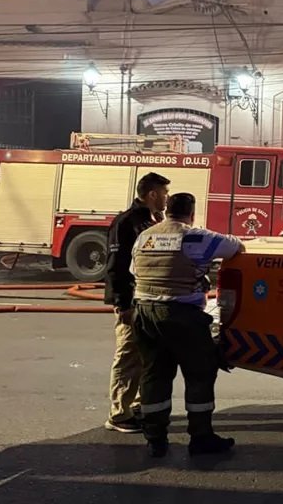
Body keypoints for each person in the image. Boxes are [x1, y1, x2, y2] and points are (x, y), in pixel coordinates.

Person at [130, 192, 245, 458]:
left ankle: (155, 439)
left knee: (154, 374)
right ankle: (201, 437)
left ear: (167, 211)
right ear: (191, 213)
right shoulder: (194, 236)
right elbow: (236, 246)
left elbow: (133, 271)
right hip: (180, 314)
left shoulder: (145, 236)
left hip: (143, 313)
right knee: (200, 373)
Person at [103, 172, 170, 433]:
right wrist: (122, 303)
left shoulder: (151, 221)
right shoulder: (126, 222)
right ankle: (119, 414)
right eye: (163, 193)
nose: (166, 198)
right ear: (152, 194)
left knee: (145, 356)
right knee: (128, 356)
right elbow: (116, 267)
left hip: (148, 300)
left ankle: (138, 406)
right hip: (131, 301)